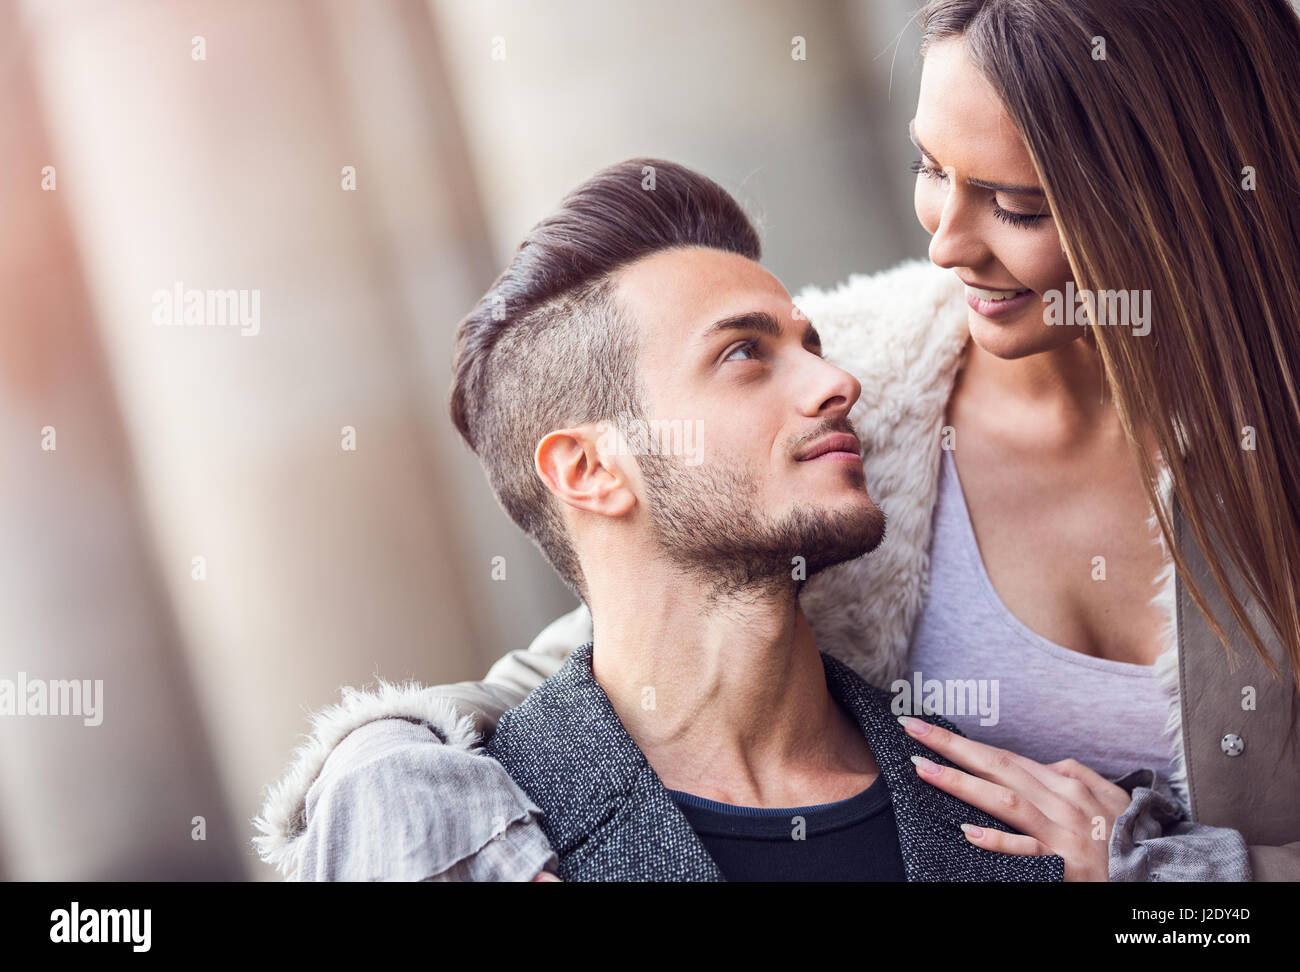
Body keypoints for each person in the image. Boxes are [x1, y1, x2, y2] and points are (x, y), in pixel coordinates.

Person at [253, 0, 1300, 881]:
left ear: (1176, 201)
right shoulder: (876, 391)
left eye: (1015, 205)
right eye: (929, 167)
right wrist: (387, 785)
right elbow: (628, 626)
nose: (944, 240)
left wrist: (1168, 884)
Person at [258, 157, 1067, 881]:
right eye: (744, 353)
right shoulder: (462, 845)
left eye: (810, 344)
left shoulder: (1031, 821)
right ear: (591, 471)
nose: (836, 381)